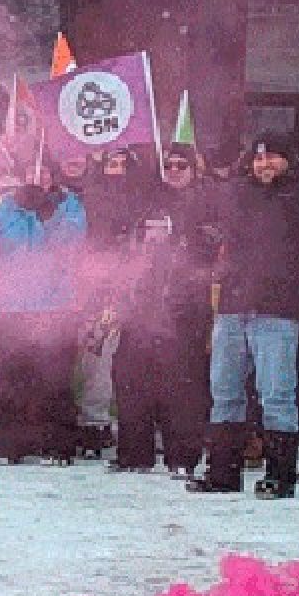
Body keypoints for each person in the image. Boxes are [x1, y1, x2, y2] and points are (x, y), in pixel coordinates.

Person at [189, 138, 299, 497]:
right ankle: (222, 472)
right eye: (259, 158)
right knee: (224, 391)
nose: (265, 165)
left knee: (276, 394)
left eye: (272, 156)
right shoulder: (235, 196)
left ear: (286, 160)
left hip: (278, 309)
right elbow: (206, 227)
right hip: (232, 305)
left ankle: (280, 475)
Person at [109, 142, 214, 478]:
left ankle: (181, 456)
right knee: (130, 379)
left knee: (182, 386)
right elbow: (125, 247)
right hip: (141, 305)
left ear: (195, 170)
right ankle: (134, 454)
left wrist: (186, 240)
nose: (174, 171)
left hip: (185, 308)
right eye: (168, 165)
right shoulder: (147, 202)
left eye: (181, 165)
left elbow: (215, 252)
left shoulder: (207, 204)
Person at [0, 174, 86, 466]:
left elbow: (72, 246)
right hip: (13, 305)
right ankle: (10, 445)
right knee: (13, 378)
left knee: (54, 379)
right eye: (30, 169)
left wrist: (47, 214)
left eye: (43, 170)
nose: (37, 176)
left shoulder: (70, 205)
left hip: (55, 304)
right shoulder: (6, 206)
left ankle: (57, 445)